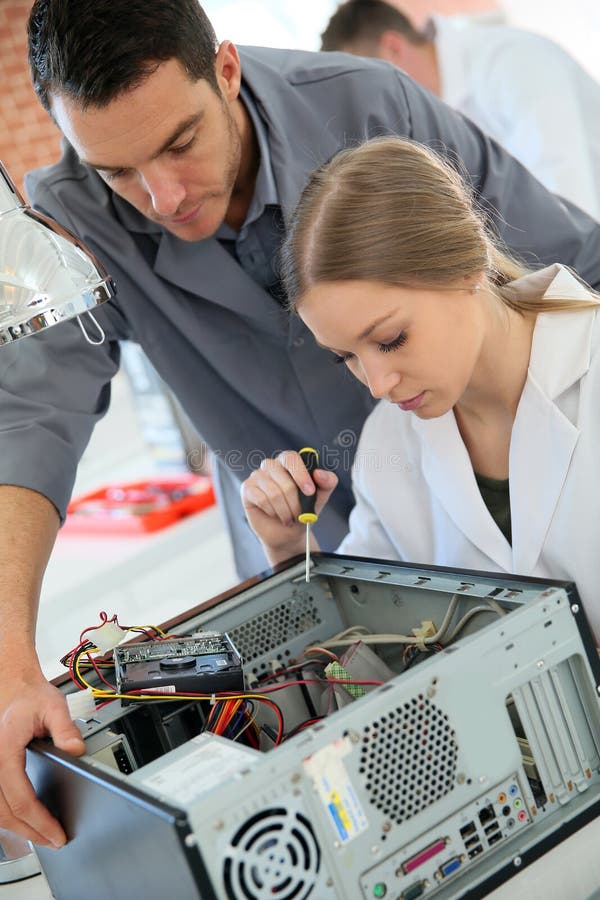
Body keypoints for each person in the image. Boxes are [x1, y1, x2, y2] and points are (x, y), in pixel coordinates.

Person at [1, 0, 600, 851]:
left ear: (227, 71)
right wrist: (5, 658)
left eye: (179, 144)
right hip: (319, 547)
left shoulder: (366, 106)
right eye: (118, 173)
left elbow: (568, 255)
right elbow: (29, 415)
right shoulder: (72, 215)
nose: (161, 197)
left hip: (492, 456)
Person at [241, 136, 600, 649]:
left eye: (390, 340)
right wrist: (289, 549)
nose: (379, 384)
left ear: (467, 266)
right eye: (345, 357)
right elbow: (365, 654)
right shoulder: (390, 443)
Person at [321, 0, 600, 218]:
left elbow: (565, 190)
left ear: (393, 48)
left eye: (369, 87)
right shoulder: (434, 118)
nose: (375, 106)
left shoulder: (508, 60)